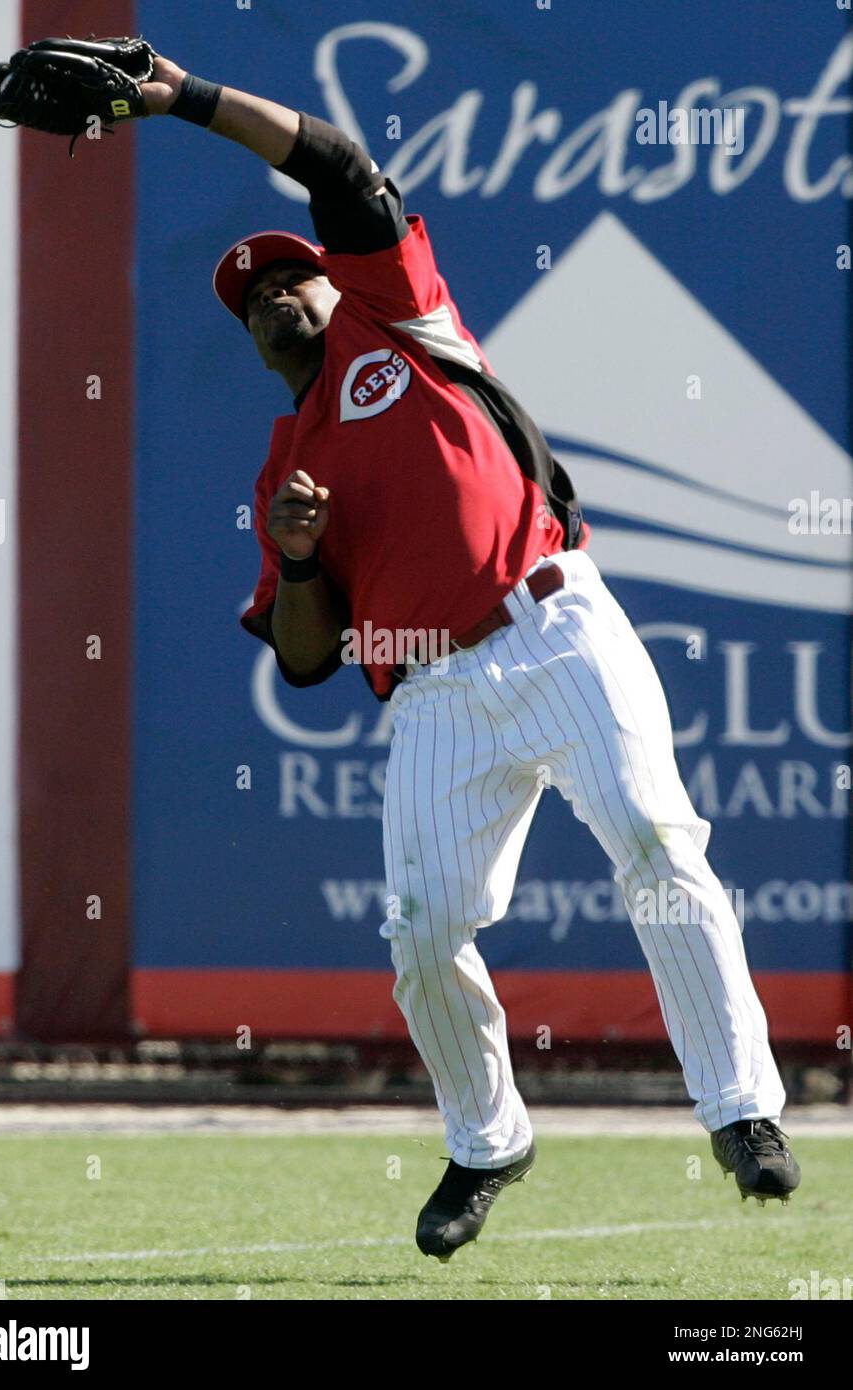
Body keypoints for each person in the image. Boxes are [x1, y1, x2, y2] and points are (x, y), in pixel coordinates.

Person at [142, 55, 801, 1262]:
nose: (274, 298)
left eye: (290, 275)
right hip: (436, 690)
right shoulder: (288, 469)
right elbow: (304, 663)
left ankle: (742, 1107)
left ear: (336, 282)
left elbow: (337, 165)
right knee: (420, 925)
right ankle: (489, 1139)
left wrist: (180, 96)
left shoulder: (398, 310)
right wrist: (295, 559)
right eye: (251, 301)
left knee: (658, 841)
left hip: (552, 621)